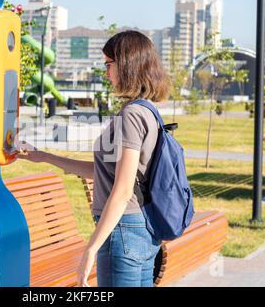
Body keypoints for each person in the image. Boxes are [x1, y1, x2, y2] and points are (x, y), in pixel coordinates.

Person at [17, 30, 171, 287]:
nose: (106, 72)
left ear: (127, 65)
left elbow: (122, 191)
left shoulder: (131, 115)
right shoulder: (148, 111)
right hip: (142, 231)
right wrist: (44, 156)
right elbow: (104, 172)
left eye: (108, 64)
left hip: (122, 232)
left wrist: (91, 248)